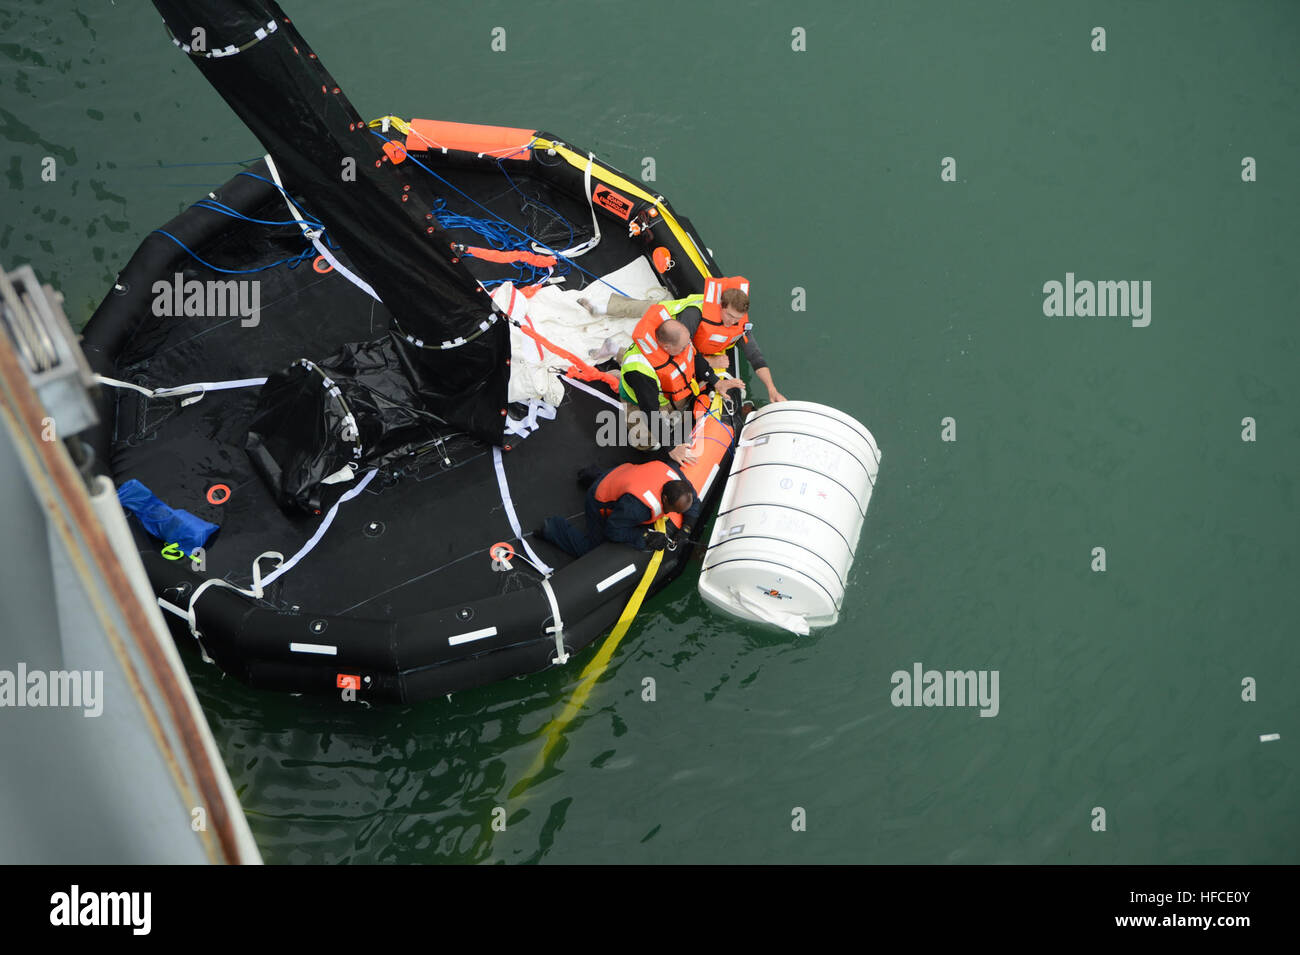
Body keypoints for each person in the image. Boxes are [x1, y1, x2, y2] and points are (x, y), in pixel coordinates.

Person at [583, 276, 786, 403]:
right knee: (650, 325)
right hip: (674, 326)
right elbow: (681, 350)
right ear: (721, 307)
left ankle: (613, 347)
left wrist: (771, 388)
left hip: (696, 346)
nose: (732, 322)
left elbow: (756, 357)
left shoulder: (738, 325)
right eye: (730, 316)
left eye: (737, 319)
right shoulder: (694, 314)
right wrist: (712, 362)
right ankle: (603, 310)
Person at [618, 314, 742, 465]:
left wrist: (716, 382)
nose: (687, 348)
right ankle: (616, 372)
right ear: (666, 348)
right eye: (683, 347)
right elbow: (650, 410)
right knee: (644, 441)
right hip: (641, 398)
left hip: (666, 390)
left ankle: (617, 355)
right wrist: (671, 447)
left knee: (679, 403)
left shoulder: (681, 342)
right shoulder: (640, 371)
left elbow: (695, 358)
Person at [538, 461, 701, 558]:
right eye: (675, 510)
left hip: (621, 475)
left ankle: (589, 474)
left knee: (620, 490)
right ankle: (553, 528)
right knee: (591, 550)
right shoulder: (637, 508)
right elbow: (613, 531)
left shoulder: (675, 477)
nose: (678, 514)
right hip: (599, 499)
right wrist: (644, 537)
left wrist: (686, 529)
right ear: (664, 499)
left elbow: (694, 502)